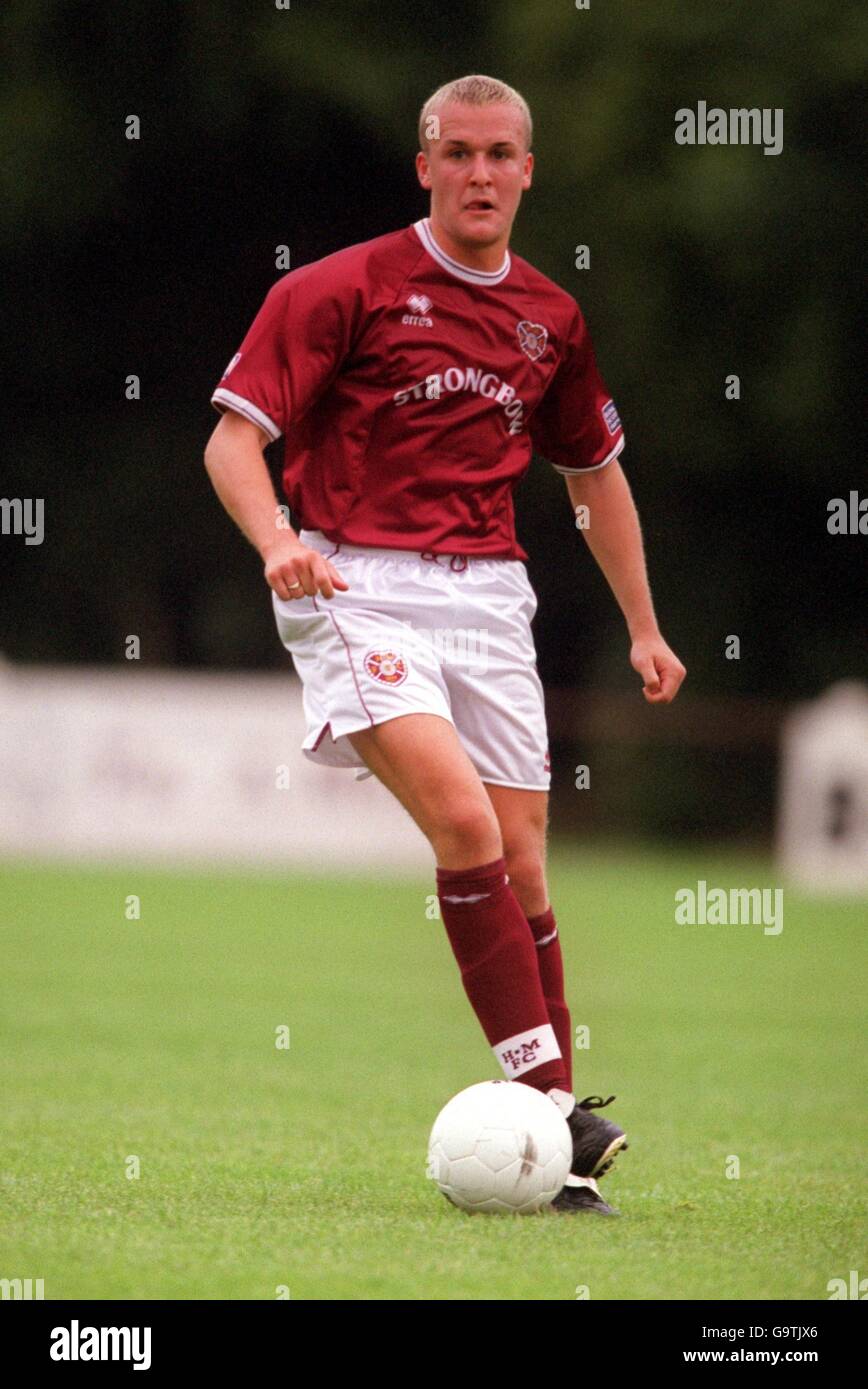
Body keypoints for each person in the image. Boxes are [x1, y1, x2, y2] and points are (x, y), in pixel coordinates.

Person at [204, 74, 686, 1215]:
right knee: (463, 824)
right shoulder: (340, 287)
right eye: (457, 152)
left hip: (491, 600)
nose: (479, 172)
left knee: (519, 865)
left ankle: (559, 1147)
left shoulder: (550, 319)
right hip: (351, 581)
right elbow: (232, 442)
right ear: (423, 165)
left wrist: (644, 625)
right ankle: (560, 1109)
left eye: (500, 154)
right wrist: (277, 539)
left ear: (528, 169)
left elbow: (593, 475)